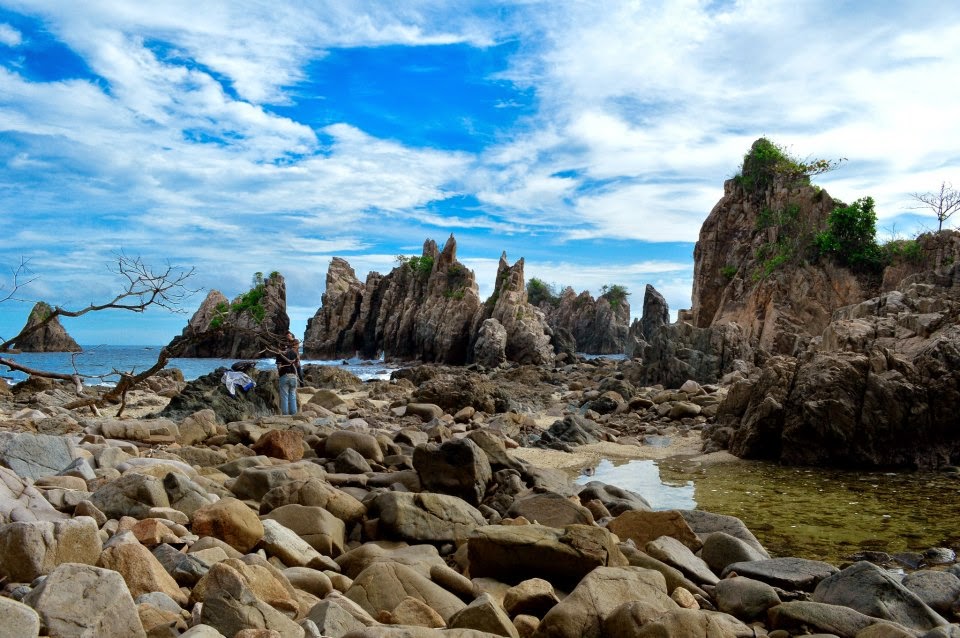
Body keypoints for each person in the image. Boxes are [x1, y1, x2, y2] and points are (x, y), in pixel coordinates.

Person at [275, 332, 301, 415]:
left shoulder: (279, 353)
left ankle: (285, 416)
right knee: (292, 396)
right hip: (293, 376)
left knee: (284, 397)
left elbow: (279, 366)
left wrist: (279, 372)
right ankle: (294, 415)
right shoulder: (294, 352)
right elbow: (297, 364)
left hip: (284, 375)